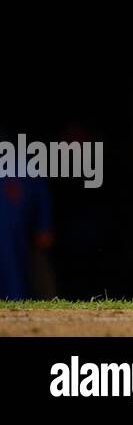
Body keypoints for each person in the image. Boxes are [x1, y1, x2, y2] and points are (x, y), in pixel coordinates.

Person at [0, 125, 55, 300]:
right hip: (17, 240)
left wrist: (44, 227)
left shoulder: (24, 166)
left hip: (17, 242)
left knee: (16, 277)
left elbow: (41, 197)